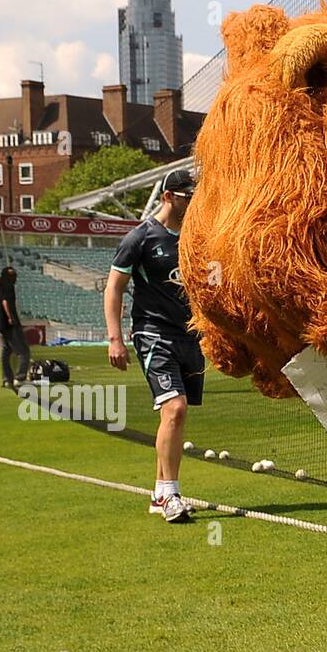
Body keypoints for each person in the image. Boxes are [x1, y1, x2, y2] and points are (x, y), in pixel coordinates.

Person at [104, 169, 202, 523]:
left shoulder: (195, 237)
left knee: (173, 414)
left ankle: (159, 492)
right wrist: (115, 338)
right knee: (175, 408)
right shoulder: (140, 238)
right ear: (168, 196)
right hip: (153, 334)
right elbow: (114, 287)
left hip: (189, 336)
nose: (193, 202)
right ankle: (170, 495)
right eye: (188, 196)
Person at [0, 266, 30, 388]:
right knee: (24, 351)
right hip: (10, 325)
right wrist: (10, 317)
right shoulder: (9, 287)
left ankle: (6, 379)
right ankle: (20, 377)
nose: (15, 278)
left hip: (0, 324)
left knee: (5, 352)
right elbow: (5, 301)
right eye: (13, 276)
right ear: (9, 277)